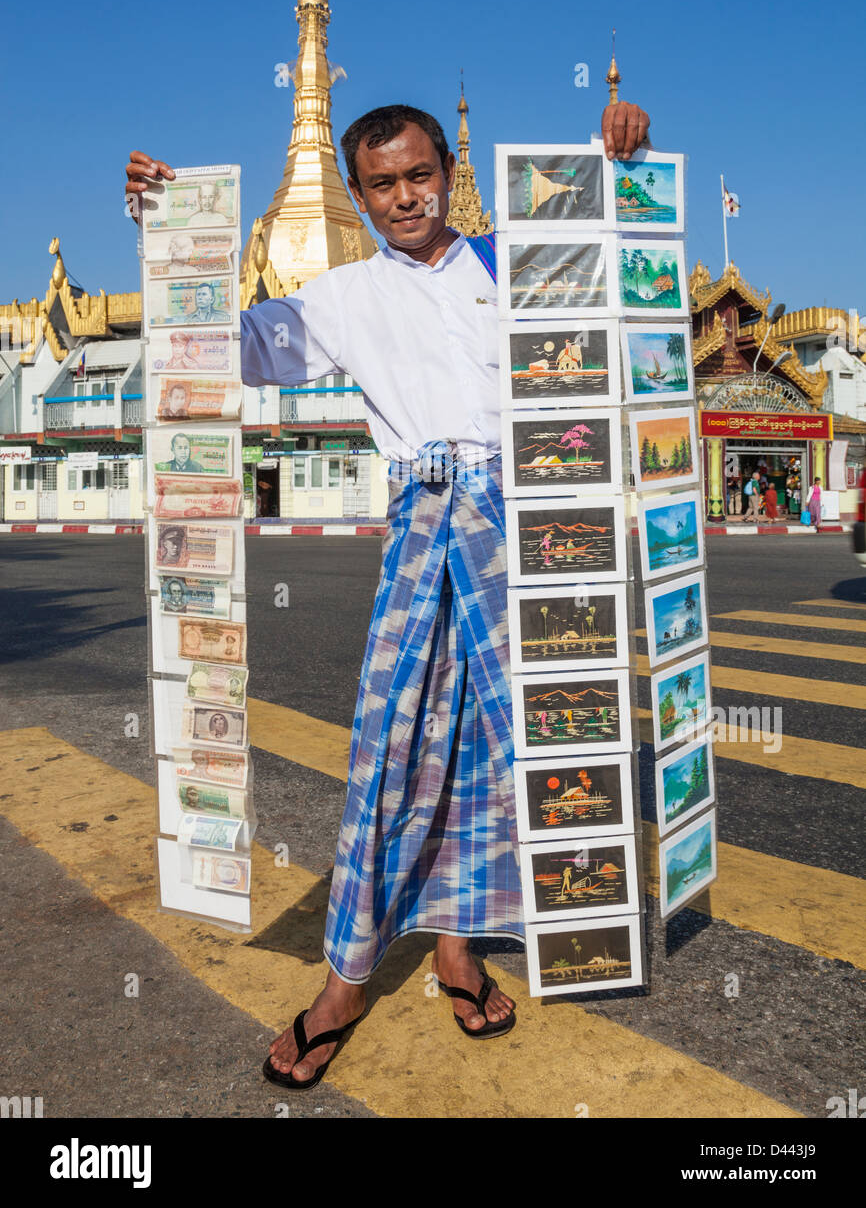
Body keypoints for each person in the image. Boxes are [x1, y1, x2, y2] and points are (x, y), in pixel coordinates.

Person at [124, 94, 651, 1090]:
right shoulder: (341, 297)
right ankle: (346, 979)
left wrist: (621, 158)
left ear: (447, 171)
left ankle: (458, 945)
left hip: (527, 529)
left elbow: (620, 280)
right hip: (421, 525)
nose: (404, 198)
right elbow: (217, 347)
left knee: (515, 745)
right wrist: (168, 237)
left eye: (419, 175)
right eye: (381, 185)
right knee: (392, 746)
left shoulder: (511, 264)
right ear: (358, 197)